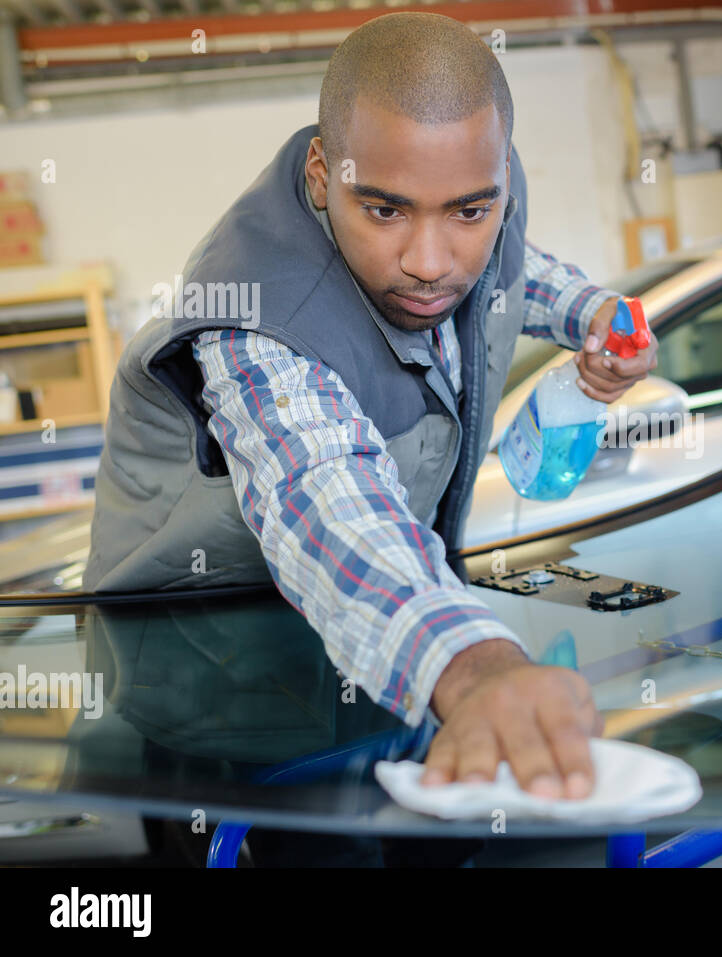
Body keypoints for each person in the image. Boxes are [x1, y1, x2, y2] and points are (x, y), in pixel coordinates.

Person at [83, 11, 659, 816]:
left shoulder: (476, 192)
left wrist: (593, 313)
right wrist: (475, 666)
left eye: (468, 211)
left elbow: (510, 271)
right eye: (385, 211)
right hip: (213, 680)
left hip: (373, 645)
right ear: (323, 175)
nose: (430, 262)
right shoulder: (257, 316)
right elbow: (328, 501)